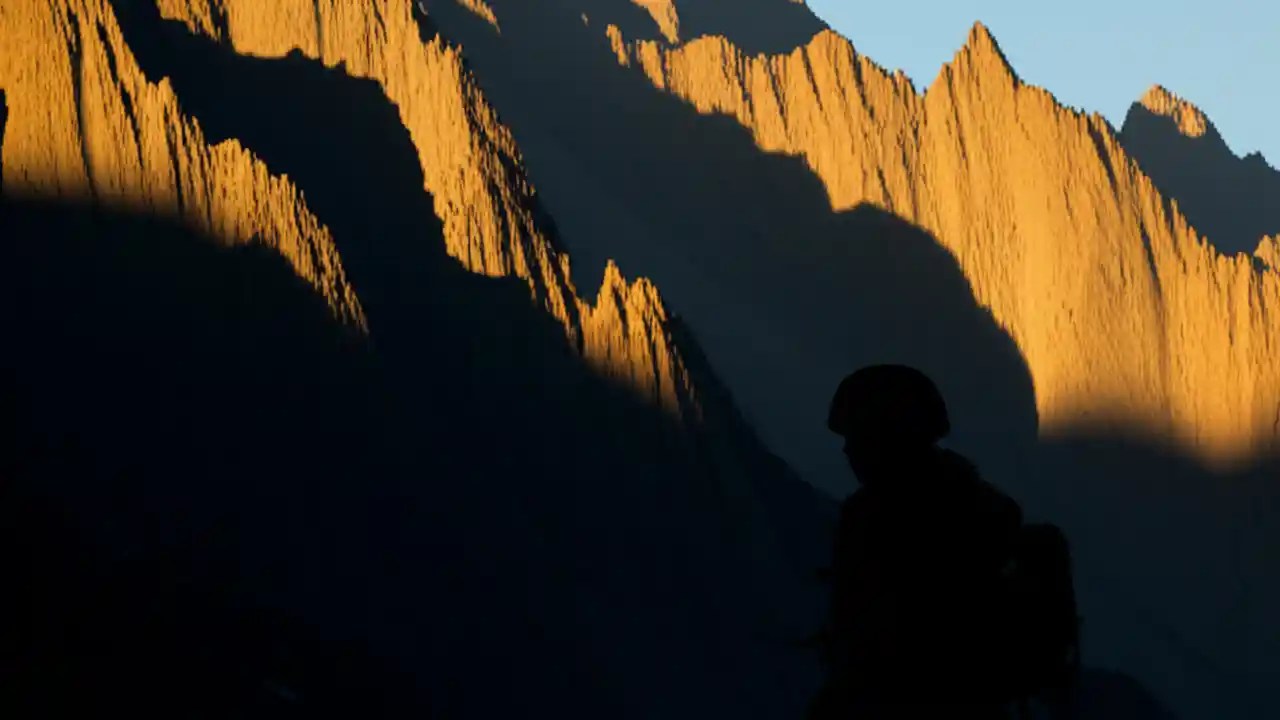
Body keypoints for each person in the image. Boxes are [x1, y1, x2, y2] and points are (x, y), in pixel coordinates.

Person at [809, 365, 1024, 719]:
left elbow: (888, 638)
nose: (848, 450)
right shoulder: (980, 503)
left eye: (858, 437)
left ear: (888, 437)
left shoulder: (876, 516)